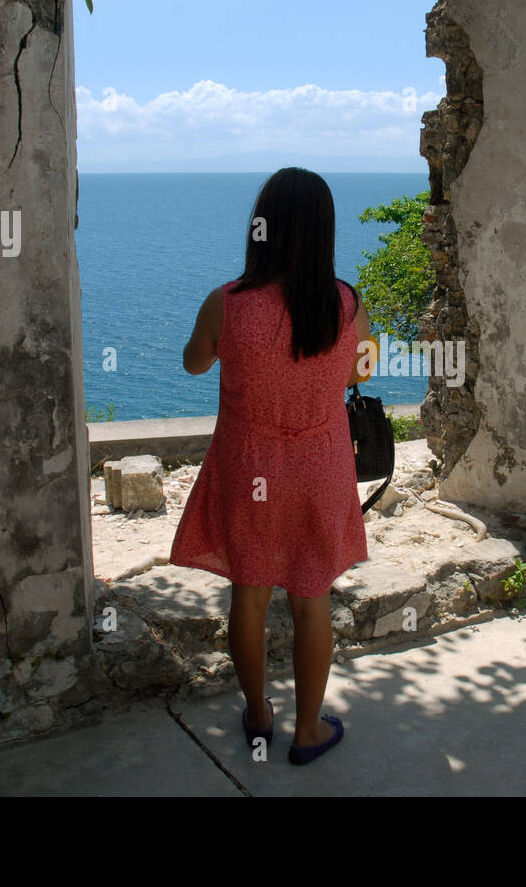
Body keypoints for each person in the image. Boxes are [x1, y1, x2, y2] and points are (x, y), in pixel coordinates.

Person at [169, 166, 376, 766]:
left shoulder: (228, 303)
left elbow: (193, 364)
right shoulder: (347, 304)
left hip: (250, 468)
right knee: (313, 599)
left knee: (250, 594)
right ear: (324, 231)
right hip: (320, 468)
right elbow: (361, 373)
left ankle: (258, 715)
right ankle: (308, 731)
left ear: (261, 228)